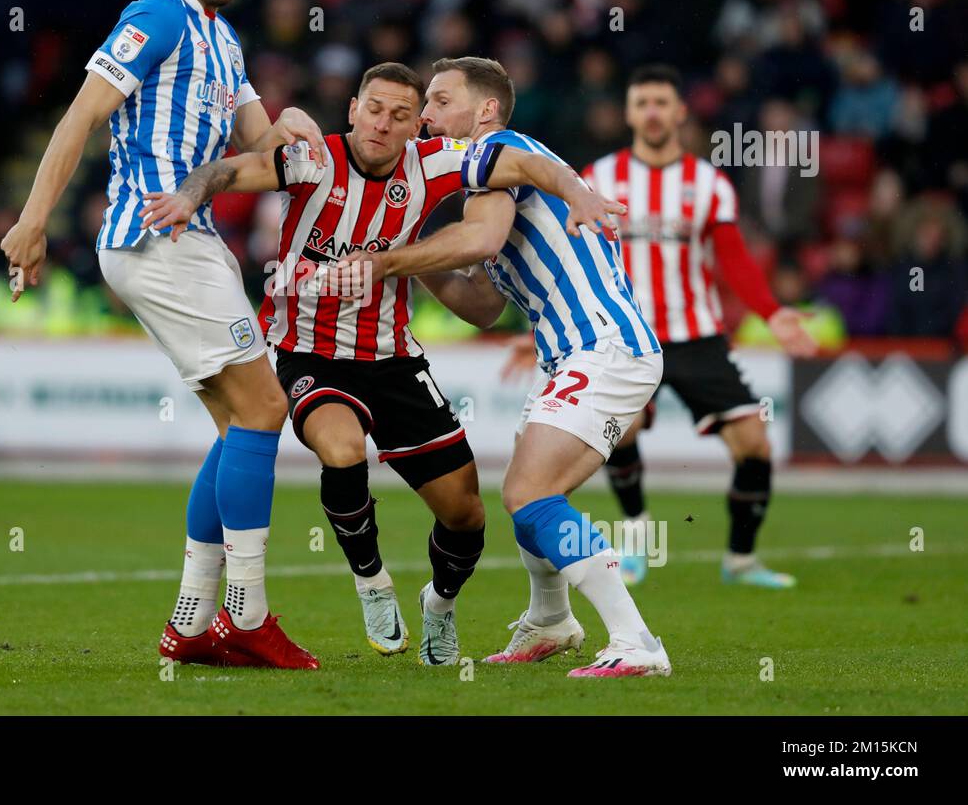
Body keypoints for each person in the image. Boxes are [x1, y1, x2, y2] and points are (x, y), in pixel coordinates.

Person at [140, 61, 626, 666]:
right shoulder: (313, 157)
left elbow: (525, 167)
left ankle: (440, 604)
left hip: (394, 359)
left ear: (413, 126)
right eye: (374, 109)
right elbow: (228, 170)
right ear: (352, 109)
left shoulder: (437, 162)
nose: (383, 124)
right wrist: (188, 195)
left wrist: (577, 191)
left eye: (401, 115)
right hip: (305, 352)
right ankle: (372, 585)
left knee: (466, 512)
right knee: (342, 450)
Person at [0, 0, 326, 670]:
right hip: (156, 237)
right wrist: (34, 219)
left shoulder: (225, 40)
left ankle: (191, 621)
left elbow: (261, 149)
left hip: (192, 239)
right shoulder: (159, 15)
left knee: (238, 424)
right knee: (266, 406)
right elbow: (81, 116)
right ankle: (245, 616)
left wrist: (305, 129)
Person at [334, 57, 672, 677]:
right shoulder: (489, 186)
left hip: (605, 346)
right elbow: (485, 306)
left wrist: (386, 260)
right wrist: (410, 257)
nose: (426, 114)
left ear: (484, 110)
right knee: (530, 492)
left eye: (438, 100)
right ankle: (550, 619)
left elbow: (481, 244)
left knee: (529, 494)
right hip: (575, 353)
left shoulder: (502, 151)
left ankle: (636, 642)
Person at [574, 64, 818, 589]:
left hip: (697, 336)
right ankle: (637, 539)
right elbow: (575, 259)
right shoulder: (598, 179)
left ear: (681, 112)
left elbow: (733, 259)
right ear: (629, 113)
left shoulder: (708, 183)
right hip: (626, 335)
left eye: (663, 102)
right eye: (643, 103)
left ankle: (741, 561)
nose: (653, 113)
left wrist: (772, 312)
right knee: (624, 432)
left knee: (755, 445)